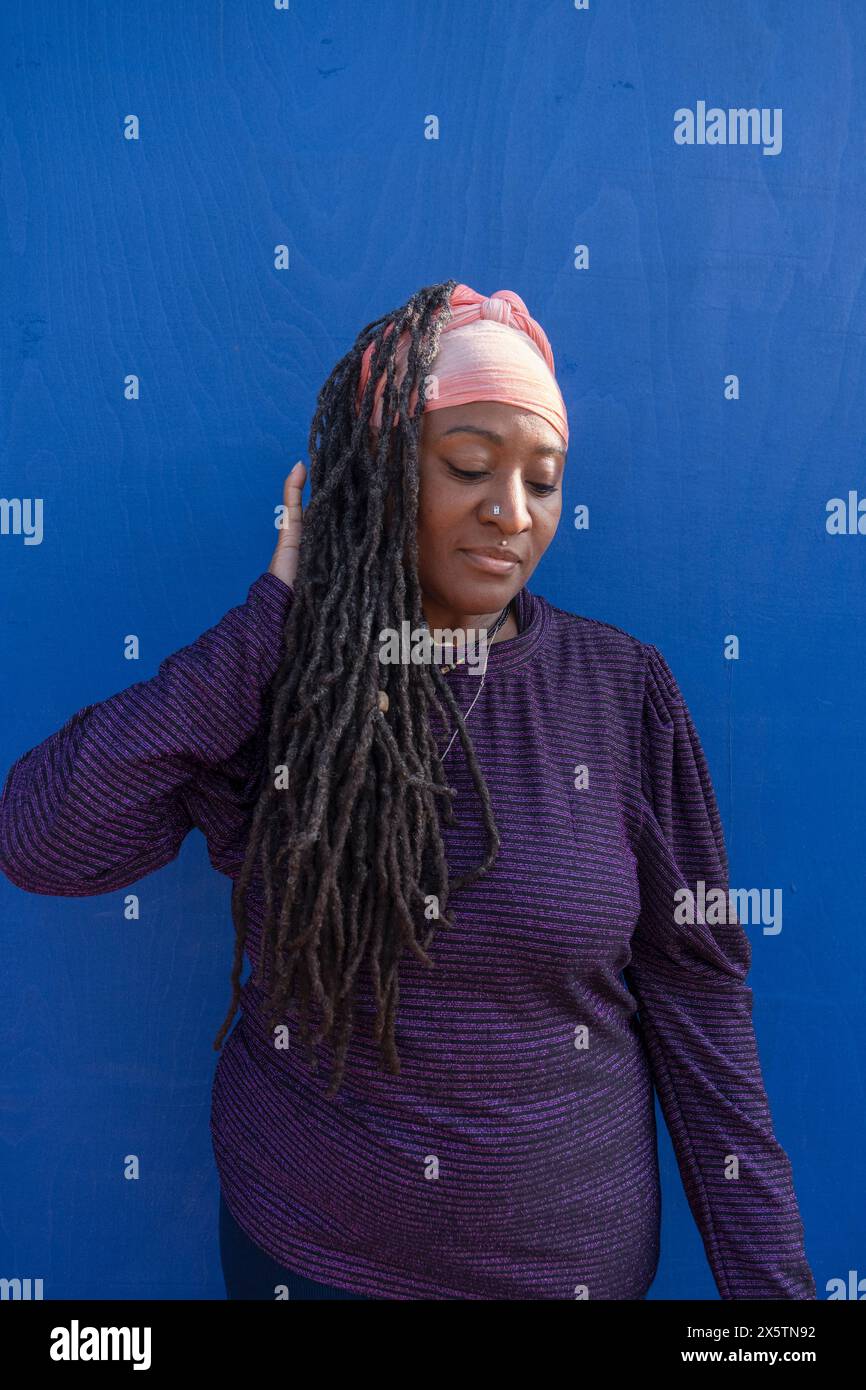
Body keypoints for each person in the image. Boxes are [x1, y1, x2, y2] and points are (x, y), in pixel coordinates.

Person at [0, 280, 815, 1301]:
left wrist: (776, 1311)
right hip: (303, 1257)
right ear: (378, 476)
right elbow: (42, 840)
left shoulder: (620, 692)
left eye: (544, 479)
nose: (512, 513)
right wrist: (271, 618)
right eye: (468, 466)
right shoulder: (278, 690)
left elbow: (699, 1006)